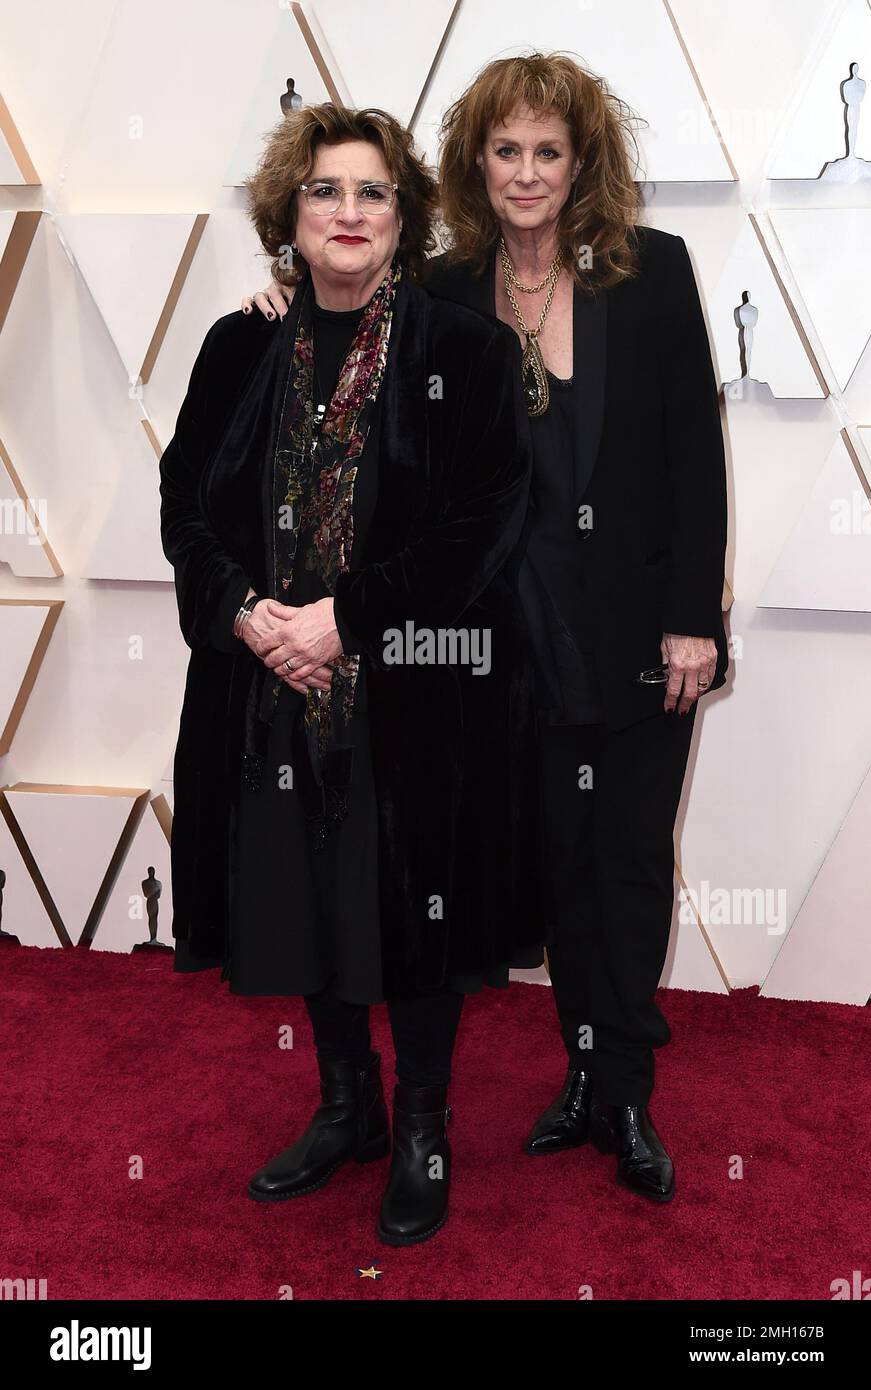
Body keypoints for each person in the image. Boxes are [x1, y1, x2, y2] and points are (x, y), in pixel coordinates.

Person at [244, 54, 729, 1204]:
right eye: (504, 151)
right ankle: (577, 1075)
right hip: (496, 650)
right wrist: (274, 301)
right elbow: (340, 315)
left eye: (547, 152)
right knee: (553, 871)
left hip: (633, 633)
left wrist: (690, 619)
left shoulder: (651, 274)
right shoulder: (449, 293)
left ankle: (624, 1093)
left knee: (624, 867)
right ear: (475, 164)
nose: (525, 173)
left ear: (581, 163)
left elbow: (693, 459)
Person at [160, 103, 545, 1246]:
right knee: (311, 906)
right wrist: (243, 613)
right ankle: (347, 1109)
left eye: (372, 191)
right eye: (326, 190)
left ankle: (421, 1125)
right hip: (266, 688)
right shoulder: (241, 344)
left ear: (403, 215)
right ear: (292, 211)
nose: (348, 211)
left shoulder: (463, 350)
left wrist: (346, 620)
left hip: (418, 694)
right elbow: (186, 505)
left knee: (413, 913)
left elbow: (484, 527)